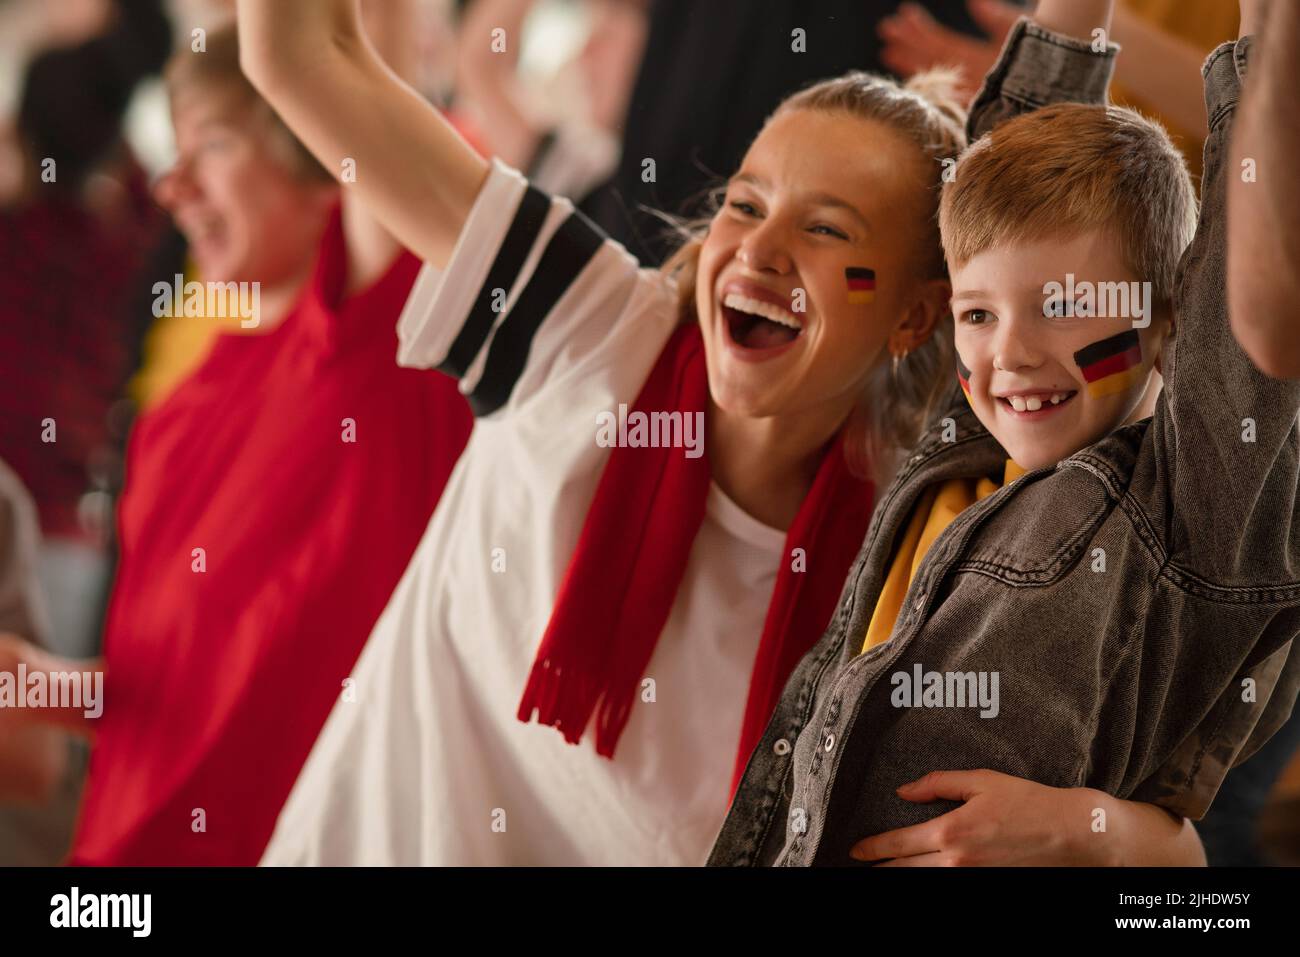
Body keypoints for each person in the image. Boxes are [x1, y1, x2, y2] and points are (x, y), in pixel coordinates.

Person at [238, 0, 1204, 867]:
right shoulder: (587, 329)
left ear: (918, 316)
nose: (759, 249)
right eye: (745, 203)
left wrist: (1089, 832)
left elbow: (1187, 861)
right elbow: (302, 59)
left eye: (828, 231)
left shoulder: (922, 560)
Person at [710, 0, 1299, 867]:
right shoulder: (962, 446)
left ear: (1167, 323)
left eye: (1063, 307)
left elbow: (1251, 282)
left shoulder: (1192, 502)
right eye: (977, 314)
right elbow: (1005, 148)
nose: (1009, 355)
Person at [2, 9, 474, 866]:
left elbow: (362, 68)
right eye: (174, 149)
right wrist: (38, 682)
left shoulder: (380, 333)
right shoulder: (180, 414)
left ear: (322, 150)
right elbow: (175, 683)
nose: (170, 185)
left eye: (211, 144)